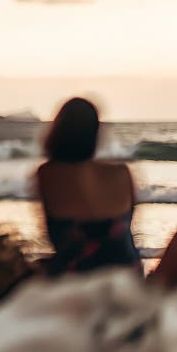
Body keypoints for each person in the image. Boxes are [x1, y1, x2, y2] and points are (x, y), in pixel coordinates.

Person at [36, 97, 141, 275]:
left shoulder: (47, 173)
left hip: (78, 277)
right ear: (95, 132)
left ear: (58, 130)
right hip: (128, 276)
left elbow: (55, 238)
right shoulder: (122, 172)